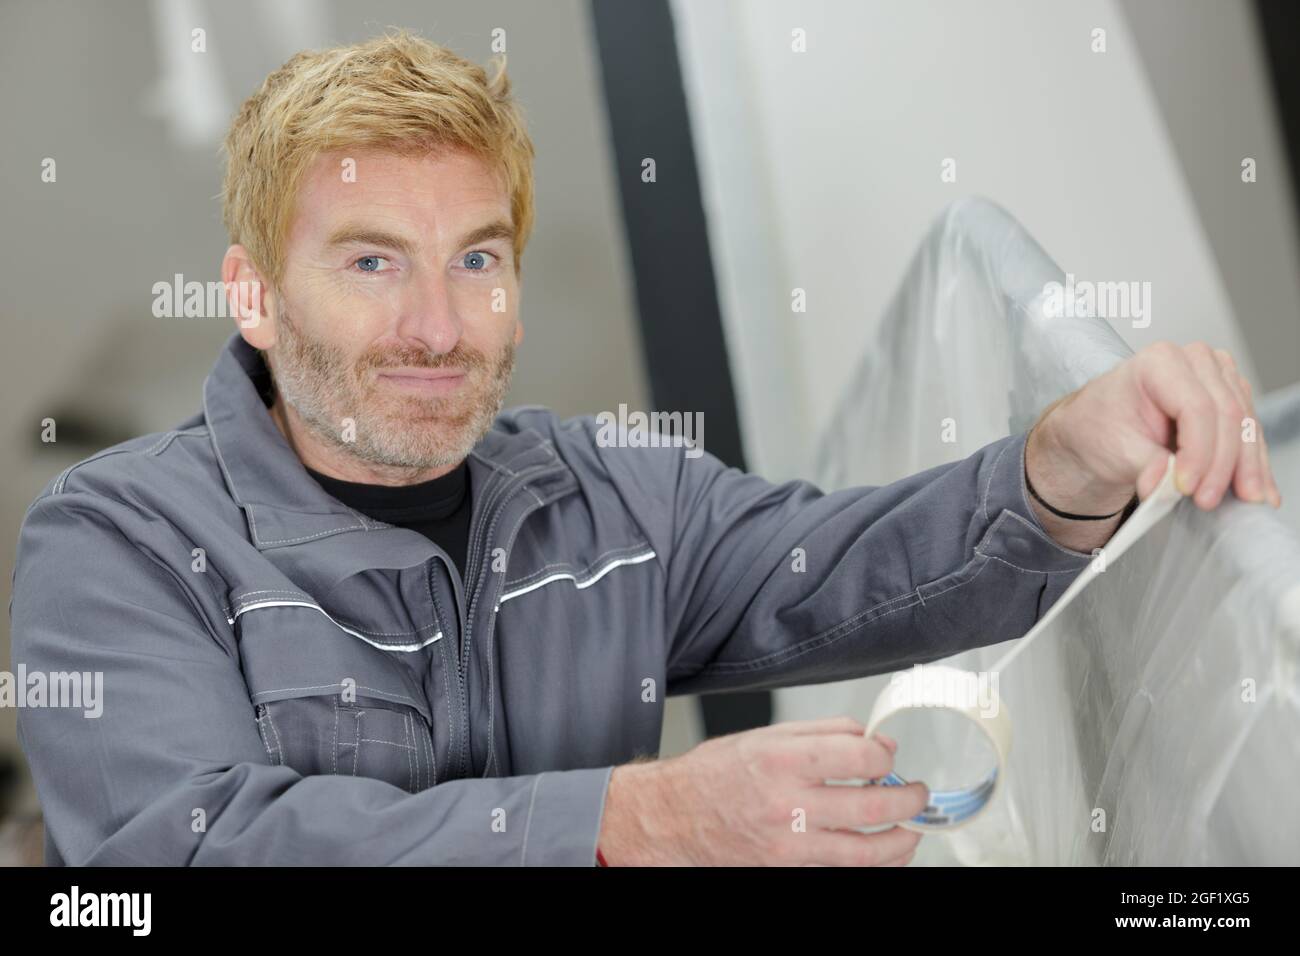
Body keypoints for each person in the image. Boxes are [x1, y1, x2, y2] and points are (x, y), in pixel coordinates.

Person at [9, 32, 1280, 867]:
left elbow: (846, 562)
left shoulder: (611, 497)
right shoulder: (119, 542)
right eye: (370, 262)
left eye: (478, 260)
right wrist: (640, 815)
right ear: (251, 293)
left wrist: (1060, 461)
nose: (437, 327)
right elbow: (185, 853)